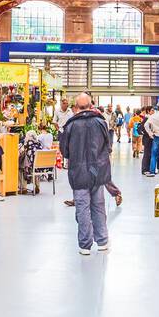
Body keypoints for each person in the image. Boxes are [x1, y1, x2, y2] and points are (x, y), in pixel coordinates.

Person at [59, 93, 112, 255]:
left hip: (78, 171)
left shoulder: (70, 126)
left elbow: (65, 151)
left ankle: (85, 245)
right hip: (98, 170)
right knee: (98, 204)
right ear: (91, 105)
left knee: (82, 207)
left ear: (76, 107)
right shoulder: (101, 122)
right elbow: (108, 146)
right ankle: (102, 240)